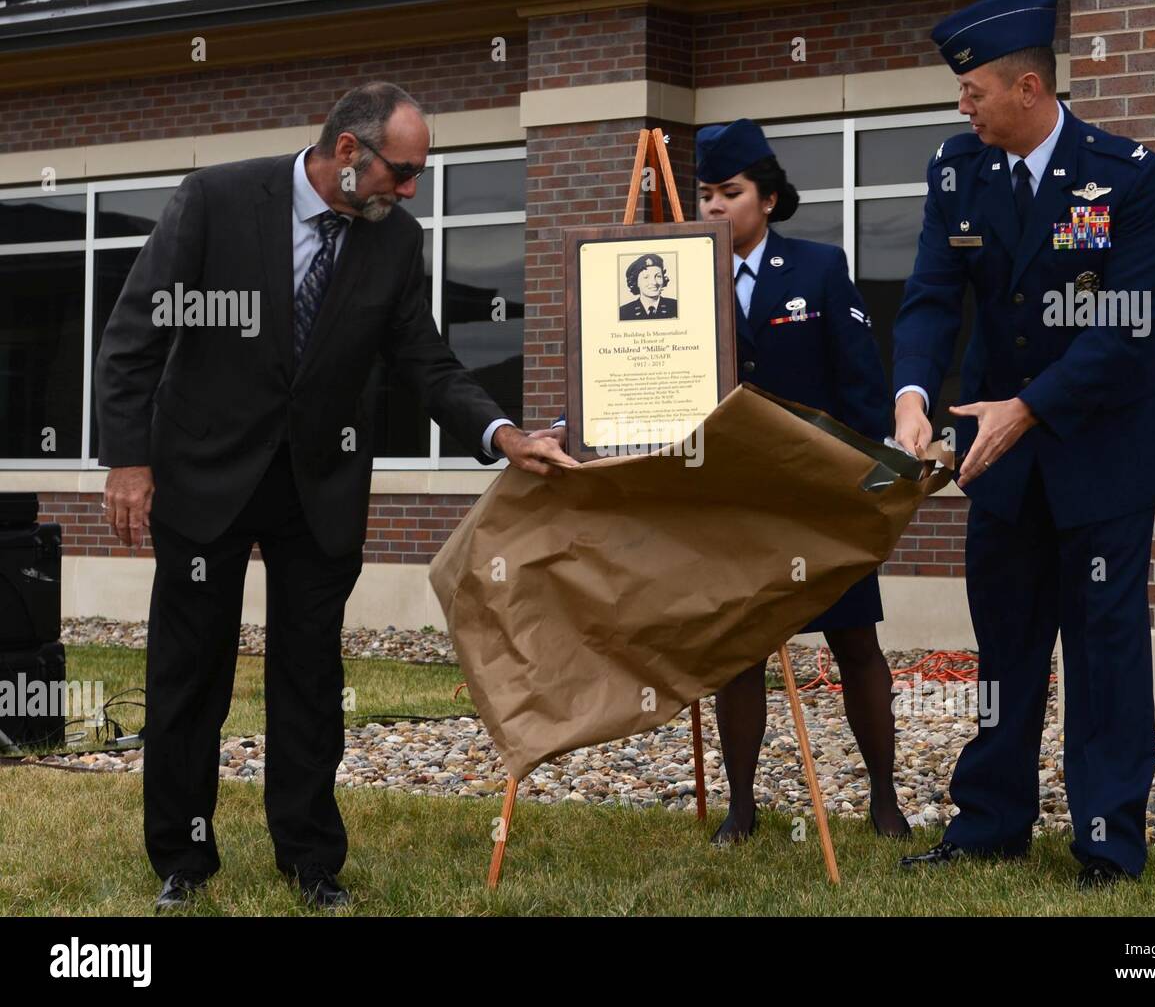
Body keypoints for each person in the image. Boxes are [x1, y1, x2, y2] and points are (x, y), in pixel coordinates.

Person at [95, 81, 576, 912]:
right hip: (203, 476)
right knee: (189, 674)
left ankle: (310, 859)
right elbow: (137, 332)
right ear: (348, 152)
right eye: (404, 169)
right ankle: (183, 858)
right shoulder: (216, 199)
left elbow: (425, 361)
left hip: (317, 489)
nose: (413, 189)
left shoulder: (394, 241)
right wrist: (129, 462)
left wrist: (502, 435)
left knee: (311, 678)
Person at [536, 118, 907, 844]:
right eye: (704, 194)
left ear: (767, 199)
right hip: (727, 503)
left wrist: (872, 480)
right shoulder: (674, 273)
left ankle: (885, 798)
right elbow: (626, 367)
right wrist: (569, 426)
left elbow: (862, 384)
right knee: (738, 656)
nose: (712, 207)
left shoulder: (818, 268)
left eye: (728, 193)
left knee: (855, 645)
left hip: (815, 498)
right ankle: (742, 807)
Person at [890, 0, 1155, 888]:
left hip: (1102, 453)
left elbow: (1124, 325)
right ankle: (990, 825)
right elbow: (934, 296)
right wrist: (910, 394)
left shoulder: (1127, 174)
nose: (961, 107)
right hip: (1000, 464)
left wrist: (1028, 407)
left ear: (1027, 87)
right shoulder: (956, 171)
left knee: (1103, 654)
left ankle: (1106, 846)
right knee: (1004, 649)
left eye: (972, 91)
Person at [618, 253, 678, 320]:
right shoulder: (623, 312)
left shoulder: (676, 306)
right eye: (646, 277)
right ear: (636, 282)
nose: (654, 282)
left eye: (658, 276)